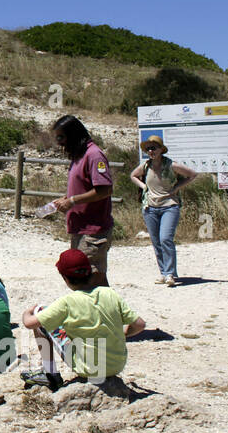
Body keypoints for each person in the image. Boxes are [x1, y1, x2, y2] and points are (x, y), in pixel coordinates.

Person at [21, 249, 146, 390]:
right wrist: (124, 333)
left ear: (65, 278)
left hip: (88, 368)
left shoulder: (67, 302)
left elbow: (29, 323)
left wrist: (28, 312)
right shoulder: (110, 294)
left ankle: (51, 374)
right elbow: (140, 324)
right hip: (117, 365)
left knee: (41, 313)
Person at [52, 115, 114, 286]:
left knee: (90, 281)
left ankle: (106, 312)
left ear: (73, 134)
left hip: (93, 232)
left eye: (61, 137)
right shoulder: (79, 155)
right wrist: (66, 199)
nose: (59, 142)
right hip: (81, 229)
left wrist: (72, 201)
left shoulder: (94, 155)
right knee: (92, 282)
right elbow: (85, 187)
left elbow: (105, 190)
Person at [132, 135, 197, 286]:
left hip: (169, 206)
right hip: (150, 208)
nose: (151, 151)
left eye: (154, 148)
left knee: (165, 238)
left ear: (161, 149)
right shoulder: (146, 166)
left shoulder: (171, 165)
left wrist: (177, 188)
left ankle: (169, 273)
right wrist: (144, 188)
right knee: (156, 242)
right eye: (148, 148)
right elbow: (133, 176)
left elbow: (192, 175)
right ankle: (164, 272)